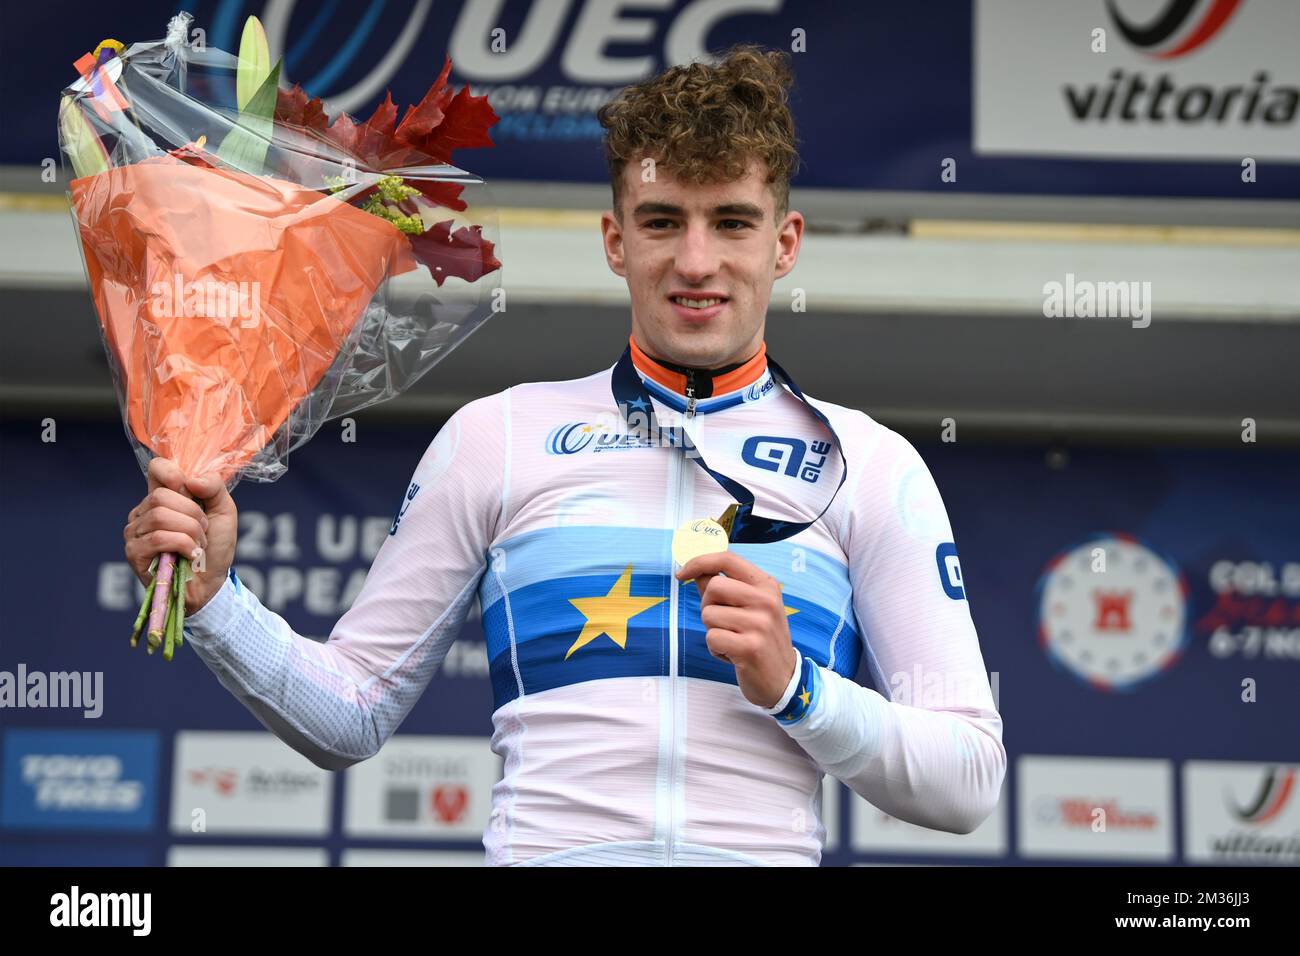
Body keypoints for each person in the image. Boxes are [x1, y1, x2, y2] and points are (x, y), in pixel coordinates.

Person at [122, 44, 1005, 866]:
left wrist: (799, 689)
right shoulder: (498, 436)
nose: (697, 262)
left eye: (732, 223)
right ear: (616, 240)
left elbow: (969, 779)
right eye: (663, 222)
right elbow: (350, 712)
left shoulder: (869, 464)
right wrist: (214, 604)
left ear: (785, 243)